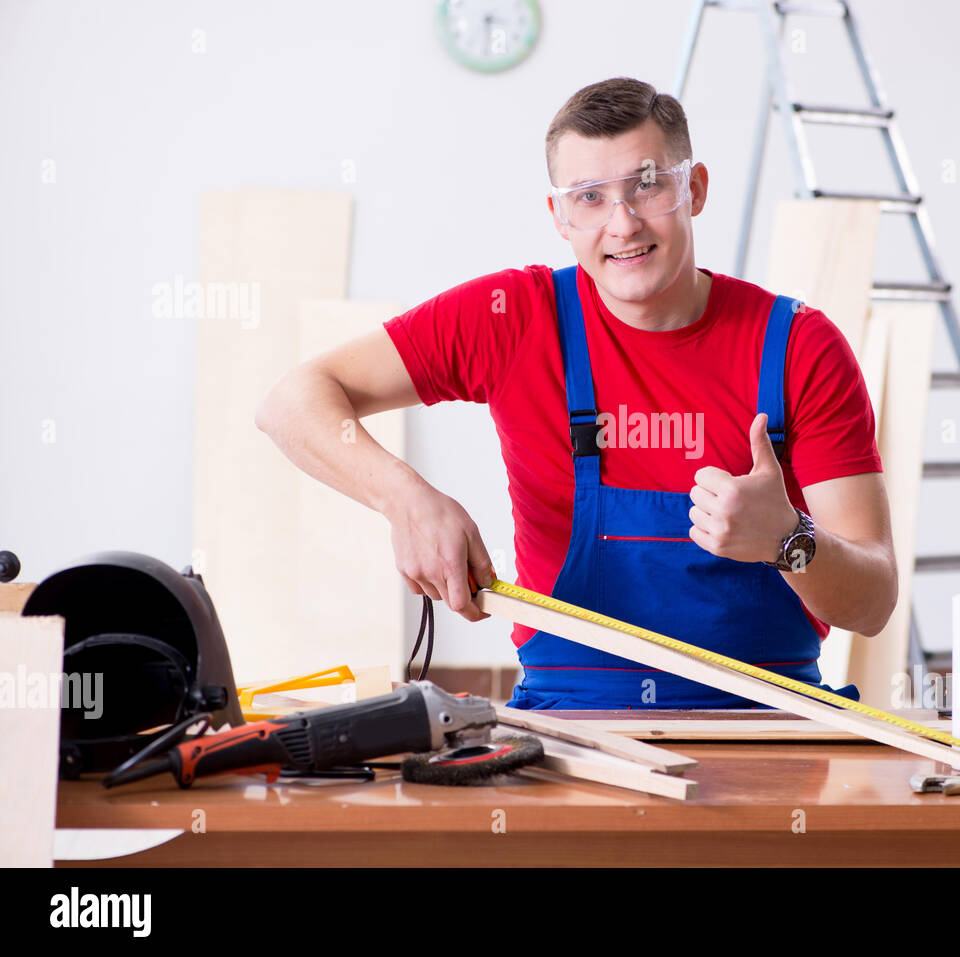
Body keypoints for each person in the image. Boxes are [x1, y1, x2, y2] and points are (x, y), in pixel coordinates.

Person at [256, 76, 898, 709]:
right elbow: (292, 401)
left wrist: (790, 540)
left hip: (774, 727)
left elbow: (873, 604)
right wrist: (405, 499)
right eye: (589, 197)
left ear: (694, 189)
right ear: (559, 214)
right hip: (576, 730)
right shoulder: (513, 318)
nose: (622, 225)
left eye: (647, 186)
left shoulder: (799, 347)